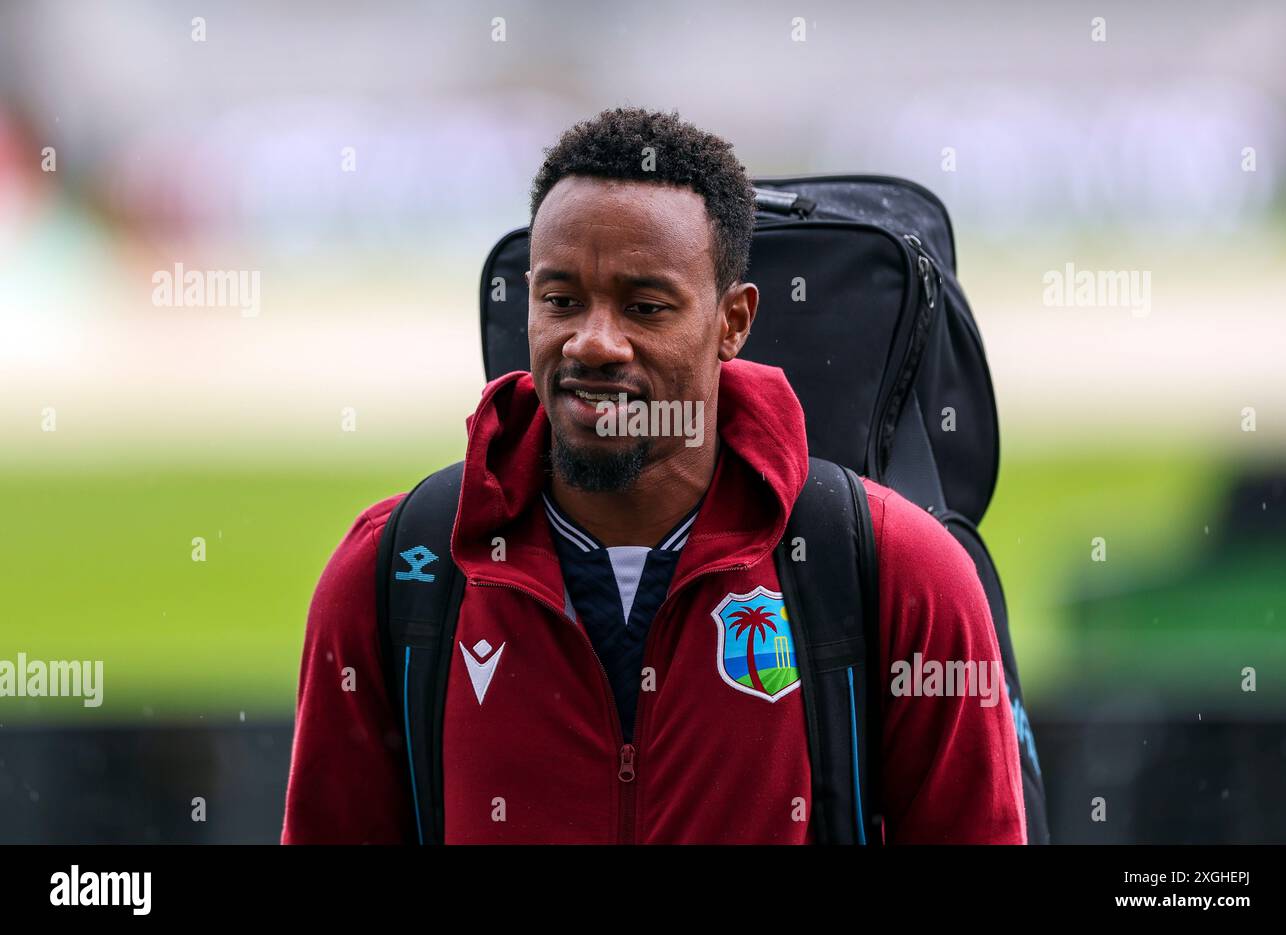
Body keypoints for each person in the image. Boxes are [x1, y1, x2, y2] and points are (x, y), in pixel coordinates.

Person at [282, 107, 1027, 844]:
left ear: (733, 320)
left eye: (644, 306)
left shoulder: (903, 572)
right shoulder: (394, 571)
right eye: (561, 300)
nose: (594, 342)